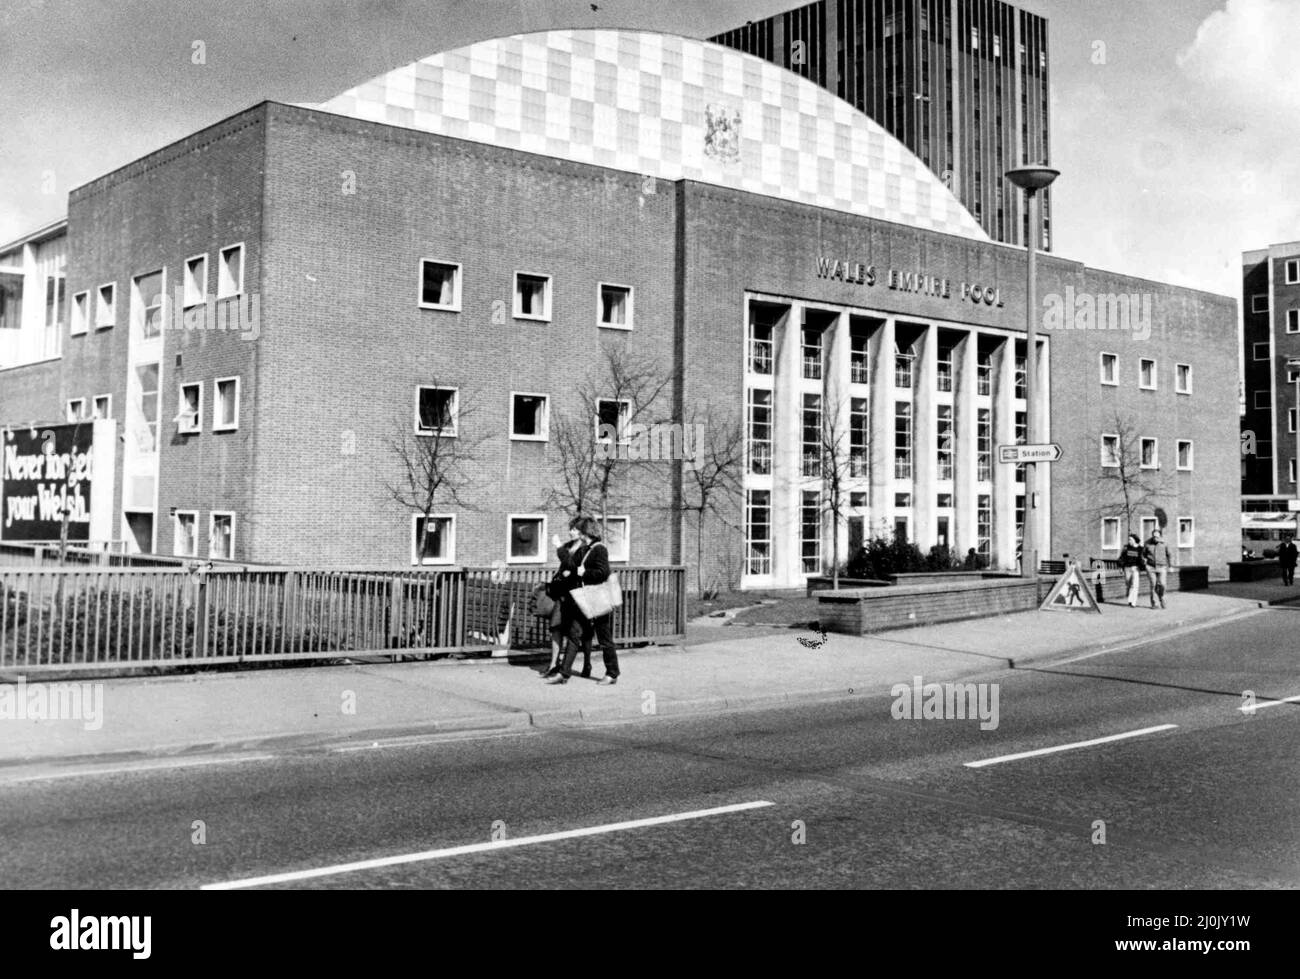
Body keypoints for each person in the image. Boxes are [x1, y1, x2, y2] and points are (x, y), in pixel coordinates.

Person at [547, 516, 620, 685]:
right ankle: (564, 674)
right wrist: (563, 555)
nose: (576, 533)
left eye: (579, 530)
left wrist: (583, 573)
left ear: (585, 532)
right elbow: (572, 564)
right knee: (574, 634)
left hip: (597, 598)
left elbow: (603, 572)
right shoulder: (585, 549)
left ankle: (612, 673)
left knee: (604, 637)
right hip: (584, 598)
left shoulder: (599, 549)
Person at [541, 521, 591, 679]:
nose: (571, 532)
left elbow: (574, 566)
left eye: (575, 529)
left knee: (581, 632)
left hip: (578, 595)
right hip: (563, 593)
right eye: (571, 529)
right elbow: (566, 566)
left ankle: (586, 663)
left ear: (582, 531)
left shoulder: (586, 549)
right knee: (556, 627)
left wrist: (558, 547)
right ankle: (554, 665)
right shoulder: (569, 546)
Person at [1144, 527, 1172, 609]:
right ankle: (1154, 603)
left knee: (1162, 585)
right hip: (1150, 567)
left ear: (1160, 536)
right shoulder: (1147, 543)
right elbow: (1143, 554)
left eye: (1157, 536)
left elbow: (1169, 555)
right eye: (1153, 536)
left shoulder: (1165, 543)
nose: (1155, 538)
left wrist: (1170, 566)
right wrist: (1144, 561)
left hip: (1162, 566)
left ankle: (1162, 599)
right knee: (1153, 585)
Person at [1119, 533, 1146, 608]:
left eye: (1130, 539)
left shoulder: (1140, 549)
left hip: (1135, 568)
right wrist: (1121, 567)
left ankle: (1133, 602)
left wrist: (1140, 566)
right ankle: (1130, 599)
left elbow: (1142, 559)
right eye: (1129, 539)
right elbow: (1122, 558)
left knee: (1135, 585)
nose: (1129, 541)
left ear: (1135, 540)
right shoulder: (1126, 548)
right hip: (1127, 568)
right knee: (1128, 584)